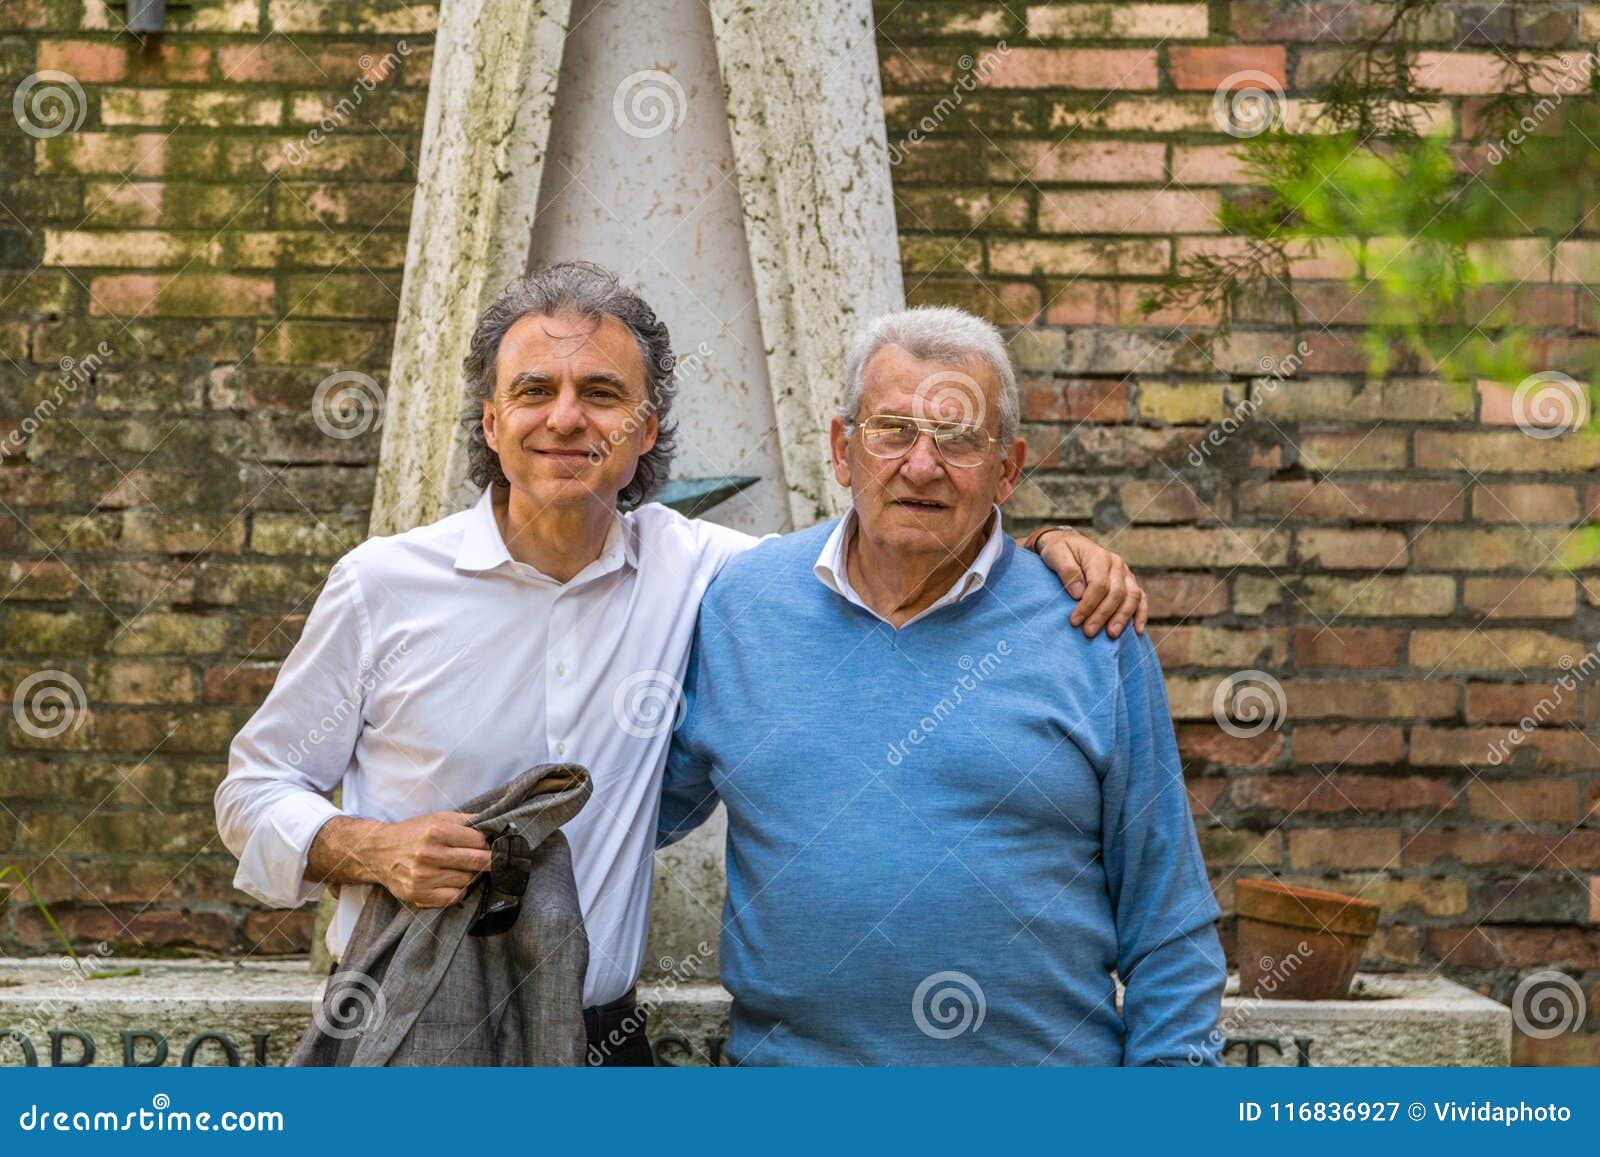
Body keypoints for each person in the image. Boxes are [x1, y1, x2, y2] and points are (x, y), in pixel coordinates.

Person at [215, 262, 1149, 1067]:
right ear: (492, 421)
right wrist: (371, 846)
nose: (567, 419)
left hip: (600, 1041)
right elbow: (253, 788)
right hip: (414, 1018)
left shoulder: (721, 579)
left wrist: (1047, 554)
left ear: (646, 428)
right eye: (535, 391)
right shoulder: (383, 584)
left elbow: (890, 545)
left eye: (604, 395)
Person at [659, 305, 1224, 1065]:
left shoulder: (1091, 626)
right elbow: (633, 809)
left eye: (958, 439)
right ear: (841, 446)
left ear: (1009, 467)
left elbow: (1169, 920)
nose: (920, 465)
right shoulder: (743, 605)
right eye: (892, 429)